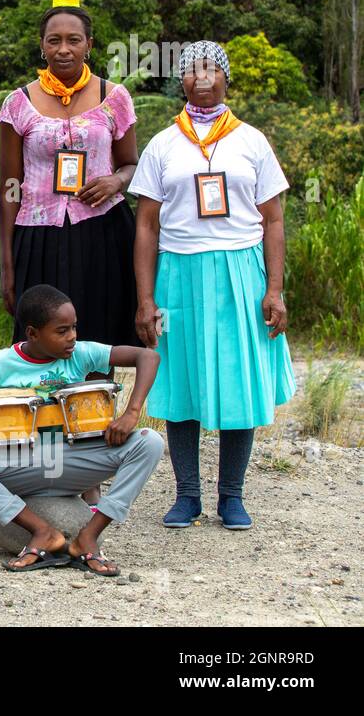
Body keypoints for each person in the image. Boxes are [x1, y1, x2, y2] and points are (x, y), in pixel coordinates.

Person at [129, 41, 295, 532]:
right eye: (191, 70)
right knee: (181, 382)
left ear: (226, 78)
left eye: (211, 68)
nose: (201, 77)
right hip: (178, 273)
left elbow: (274, 219)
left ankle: (232, 496)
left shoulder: (251, 141)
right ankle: (186, 496)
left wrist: (275, 289)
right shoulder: (163, 144)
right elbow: (145, 228)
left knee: (236, 381)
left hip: (240, 272)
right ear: (179, 81)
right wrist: (146, 299)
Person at [0, 285, 164, 575]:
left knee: (150, 442)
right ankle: (43, 531)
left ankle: (88, 537)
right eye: (61, 331)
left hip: (73, 463)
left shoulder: (81, 354)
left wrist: (131, 413)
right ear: (32, 333)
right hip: (20, 467)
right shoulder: (1, 363)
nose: (72, 337)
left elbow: (148, 357)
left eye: (74, 328)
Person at [0, 0, 140, 352]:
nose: (64, 49)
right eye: (54, 40)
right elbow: (10, 187)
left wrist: (115, 181)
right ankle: (48, 419)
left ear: (88, 45)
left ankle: (98, 418)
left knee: (99, 335)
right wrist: (7, 260)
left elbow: (133, 165)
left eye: (73, 40)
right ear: (42, 46)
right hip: (37, 235)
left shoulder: (114, 98)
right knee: (41, 345)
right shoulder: (18, 103)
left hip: (103, 231)